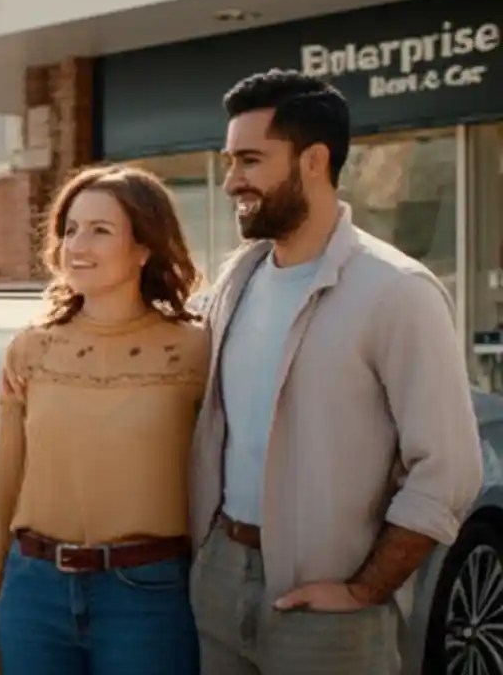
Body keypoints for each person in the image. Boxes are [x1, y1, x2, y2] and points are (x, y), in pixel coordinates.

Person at [187, 68, 484, 674]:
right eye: (229, 161)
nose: (231, 181)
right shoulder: (235, 281)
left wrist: (365, 589)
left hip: (330, 602)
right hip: (219, 577)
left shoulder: (397, 291)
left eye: (250, 160)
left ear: (314, 160)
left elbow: (449, 469)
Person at [0, 164, 210, 675]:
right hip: (33, 596)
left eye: (100, 230)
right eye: (70, 229)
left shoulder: (195, 350)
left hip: (146, 598)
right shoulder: (30, 349)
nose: (77, 245)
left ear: (144, 248)